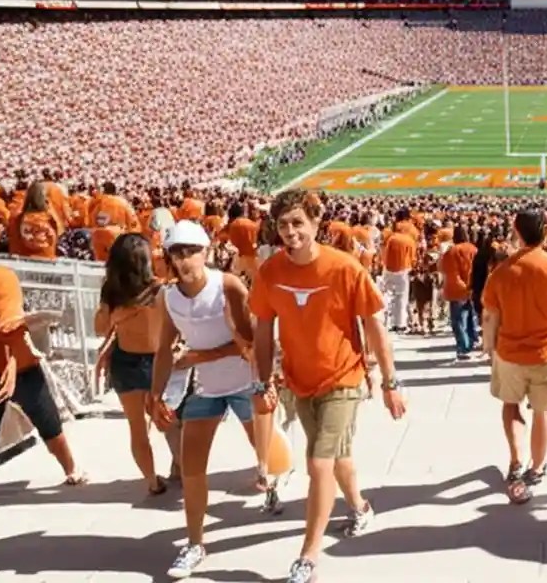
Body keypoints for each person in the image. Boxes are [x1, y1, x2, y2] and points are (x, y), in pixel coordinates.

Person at [249, 190, 406, 583]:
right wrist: (262, 380)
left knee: (318, 462)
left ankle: (308, 555)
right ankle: (359, 507)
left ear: (316, 222)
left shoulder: (345, 268)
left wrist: (391, 382)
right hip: (301, 381)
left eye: (298, 223)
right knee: (337, 458)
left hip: (344, 377)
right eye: (283, 225)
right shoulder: (270, 273)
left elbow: (374, 326)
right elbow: (264, 332)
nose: (290, 232)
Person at [148, 221, 260, 579]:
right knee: (192, 466)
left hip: (243, 382)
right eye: (176, 253)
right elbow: (163, 349)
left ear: (206, 252)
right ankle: (195, 543)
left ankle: (272, 478)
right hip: (207, 389)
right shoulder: (169, 297)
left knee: (265, 452)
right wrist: (155, 395)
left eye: (190, 252)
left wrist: (199, 357)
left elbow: (249, 346)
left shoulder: (227, 285)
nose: (183, 261)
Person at [481, 209, 547, 501]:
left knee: (511, 405)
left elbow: (490, 317)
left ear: (516, 232)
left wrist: (488, 348)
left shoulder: (502, 272)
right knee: (543, 411)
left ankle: (516, 460)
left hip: (510, 352)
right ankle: (535, 467)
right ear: (546, 232)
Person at [0, 214, 85, 485]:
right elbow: (9, 326)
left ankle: (71, 468)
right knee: (48, 421)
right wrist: (10, 362)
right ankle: (72, 470)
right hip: (15, 368)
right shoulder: (1, 277)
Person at [93, 233, 176, 495]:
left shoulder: (111, 292)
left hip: (125, 361)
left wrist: (114, 313)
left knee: (137, 428)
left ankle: (152, 481)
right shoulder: (160, 289)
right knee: (171, 422)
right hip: (158, 361)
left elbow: (100, 328)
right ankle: (182, 468)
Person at [440, 226, 478, 360]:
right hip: (472, 287)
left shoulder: (452, 252)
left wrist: (462, 288)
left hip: (457, 289)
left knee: (458, 319)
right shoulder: (474, 249)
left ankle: (463, 346)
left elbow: (449, 272)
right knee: (470, 316)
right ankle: (472, 340)